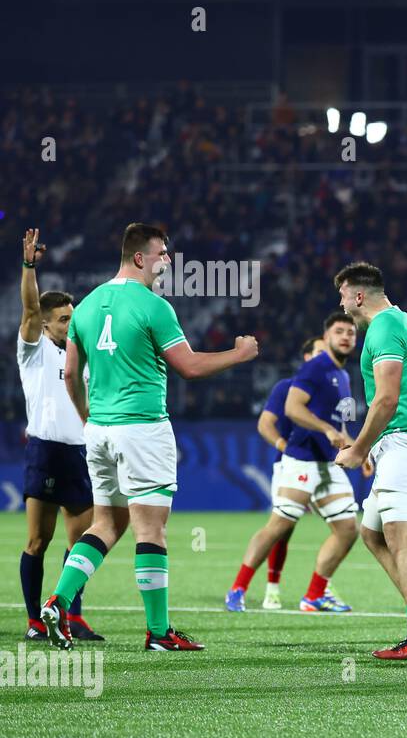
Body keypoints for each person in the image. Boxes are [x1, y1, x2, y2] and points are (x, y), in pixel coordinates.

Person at [41, 222, 258, 650]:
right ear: (140, 257)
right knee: (150, 531)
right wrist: (240, 353)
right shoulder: (154, 306)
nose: (169, 260)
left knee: (106, 523)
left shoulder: (85, 307)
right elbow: (190, 368)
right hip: (142, 428)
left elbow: (69, 373)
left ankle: (58, 599)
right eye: (163, 253)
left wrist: (88, 417)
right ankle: (158, 632)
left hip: (100, 431)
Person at [333, 262, 407, 660]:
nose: (342, 302)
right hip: (398, 443)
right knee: (372, 533)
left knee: (402, 538)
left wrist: (359, 448)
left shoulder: (383, 328)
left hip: (406, 442)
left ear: (359, 295)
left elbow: (386, 398)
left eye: (344, 294)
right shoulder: (405, 321)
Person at [226, 314, 360, 613]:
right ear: (326, 337)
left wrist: (358, 450)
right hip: (301, 461)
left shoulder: (344, 376)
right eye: (339, 331)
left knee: (348, 529)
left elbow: (340, 424)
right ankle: (238, 588)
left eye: (351, 332)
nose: (346, 337)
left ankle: (314, 595)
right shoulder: (316, 367)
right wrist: (324, 430)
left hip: (329, 463)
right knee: (279, 527)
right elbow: (292, 408)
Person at [16, 228, 102, 641]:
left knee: (84, 540)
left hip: (80, 454)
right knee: (38, 540)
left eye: (74, 316)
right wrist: (30, 265)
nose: (71, 323)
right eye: (64, 318)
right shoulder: (35, 349)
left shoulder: (80, 356)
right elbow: (30, 309)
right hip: (46, 452)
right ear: (47, 323)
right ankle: (35, 619)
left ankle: (70, 614)